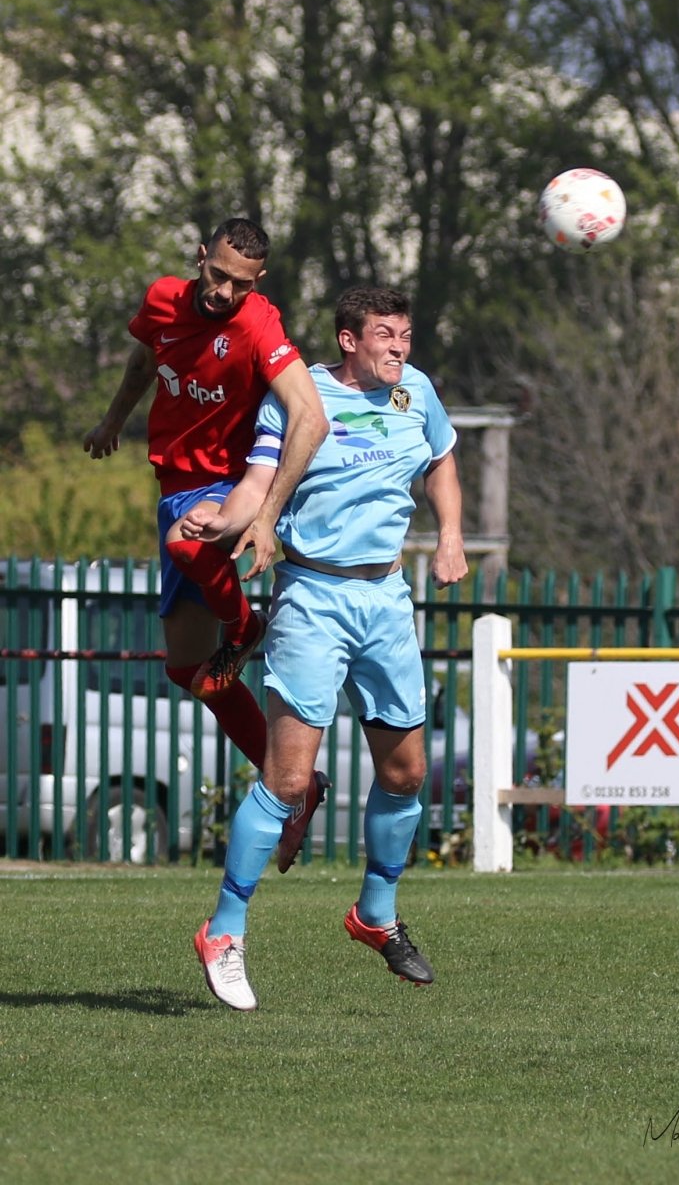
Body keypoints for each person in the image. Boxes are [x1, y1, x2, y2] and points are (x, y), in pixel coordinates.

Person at [184, 284, 469, 1010]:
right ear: (349, 340)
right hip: (313, 598)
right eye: (385, 336)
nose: (399, 348)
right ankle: (224, 930)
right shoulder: (300, 396)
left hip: (386, 599)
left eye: (405, 335)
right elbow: (259, 479)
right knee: (286, 780)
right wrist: (226, 520)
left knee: (406, 772)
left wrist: (450, 536)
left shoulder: (416, 392)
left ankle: (375, 914)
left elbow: (441, 460)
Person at [83, 218, 328, 771]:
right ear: (201, 257)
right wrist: (112, 421)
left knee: (188, 541)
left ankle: (245, 627)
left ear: (258, 281)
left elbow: (311, 417)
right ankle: (292, 784)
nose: (224, 291)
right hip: (175, 483)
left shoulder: (259, 324)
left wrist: (265, 516)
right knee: (186, 668)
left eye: (240, 283)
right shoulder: (162, 300)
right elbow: (144, 360)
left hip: (232, 483)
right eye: (218, 275)